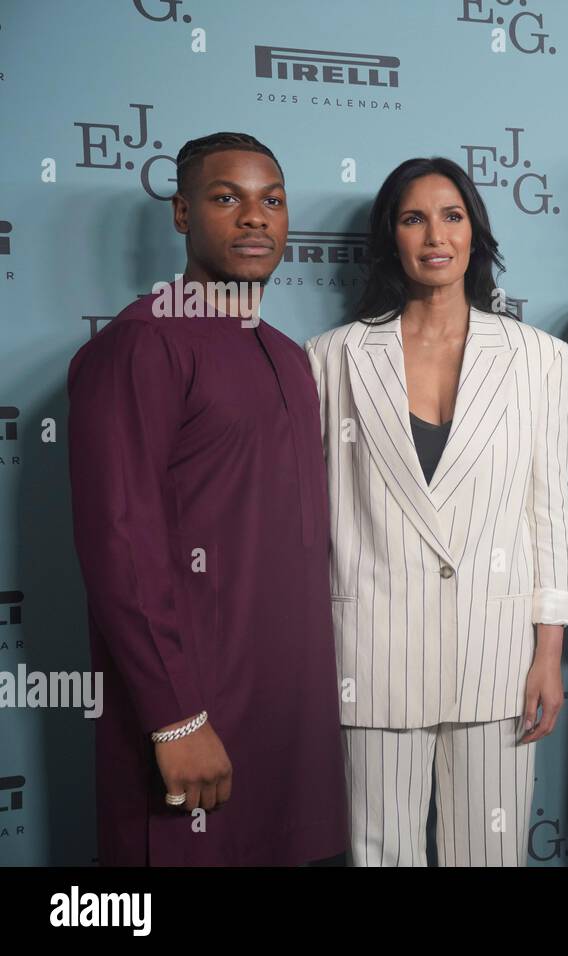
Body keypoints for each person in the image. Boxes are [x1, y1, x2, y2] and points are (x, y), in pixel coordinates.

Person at [67, 132, 348, 865]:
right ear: (183, 215)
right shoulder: (142, 344)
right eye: (228, 198)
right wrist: (175, 720)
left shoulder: (290, 357)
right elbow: (119, 542)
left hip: (291, 719)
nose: (255, 217)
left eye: (273, 201)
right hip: (195, 715)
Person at [306, 157, 568, 867]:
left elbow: (549, 512)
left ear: (475, 232)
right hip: (370, 657)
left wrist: (547, 653)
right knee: (379, 856)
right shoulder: (331, 359)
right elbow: (310, 524)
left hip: (496, 658)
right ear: (390, 237)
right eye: (413, 217)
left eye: (452, 215)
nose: (436, 234)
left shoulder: (537, 359)